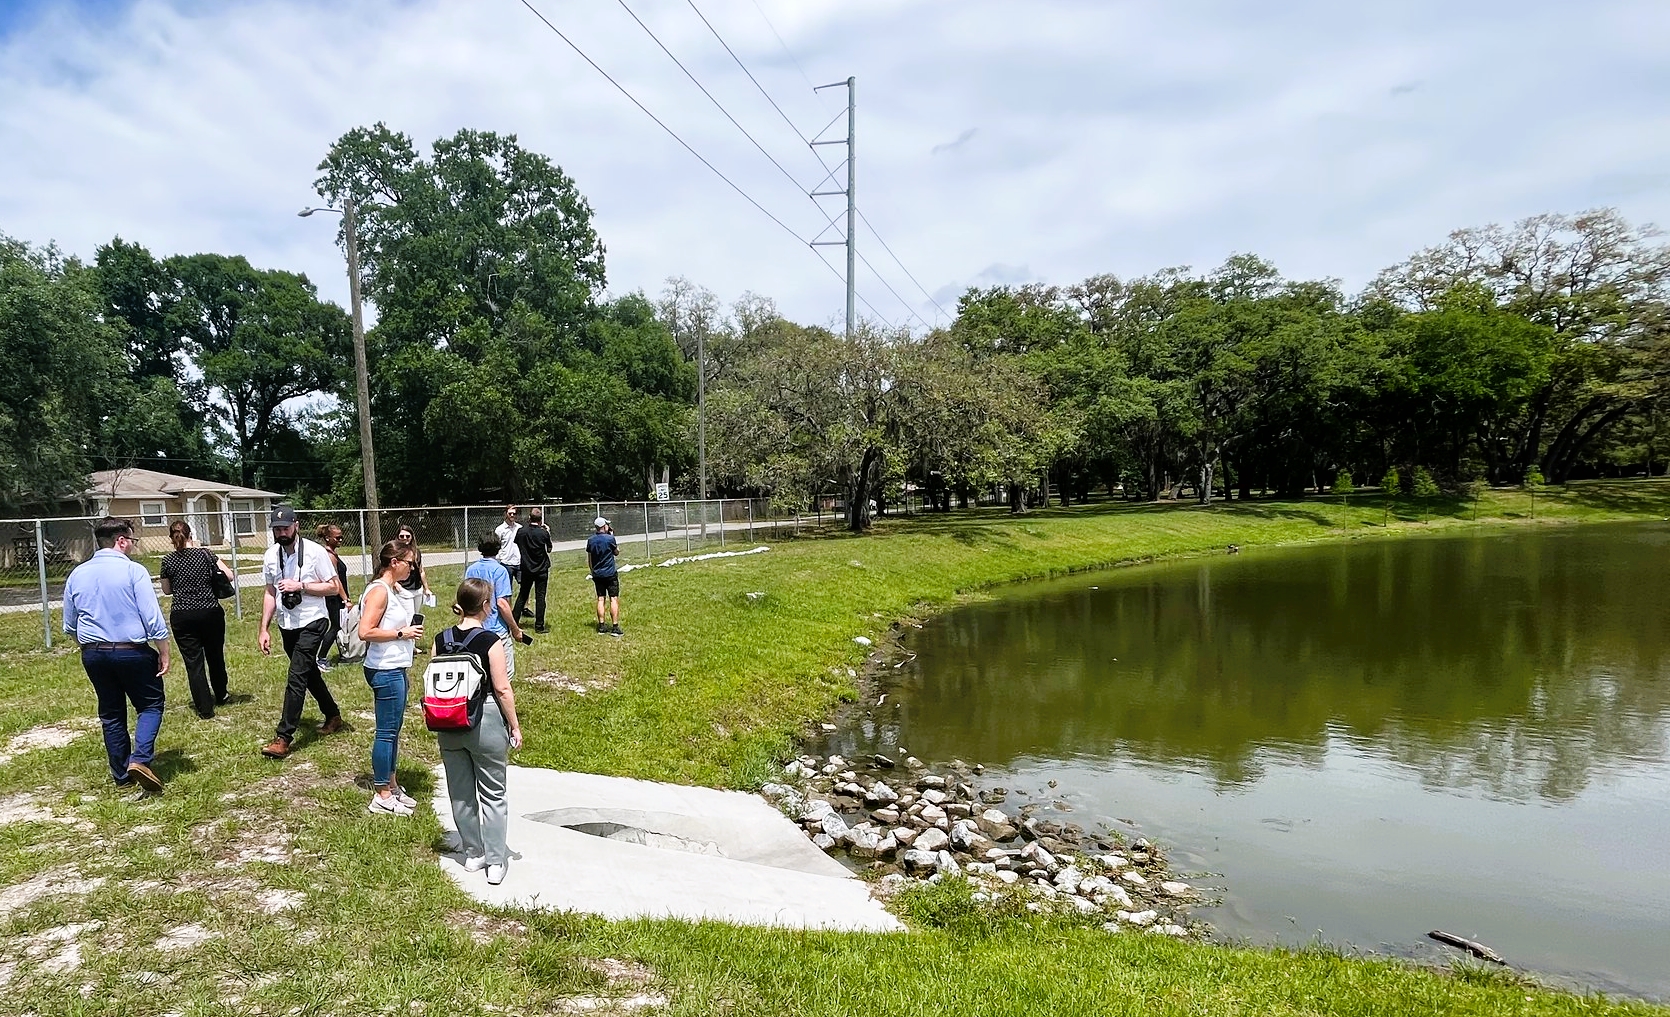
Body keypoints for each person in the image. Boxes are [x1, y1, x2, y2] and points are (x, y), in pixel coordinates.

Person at [62, 516, 171, 794]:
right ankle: (140, 759)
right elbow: (151, 614)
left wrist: (87, 645)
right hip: (131, 651)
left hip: (94, 653)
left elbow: (69, 624)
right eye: (132, 541)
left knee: (111, 713)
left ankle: (121, 774)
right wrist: (163, 649)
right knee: (150, 705)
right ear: (121, 541)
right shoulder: (134, 571)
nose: (133, 546)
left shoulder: (77, 574)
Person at [434, 577, 523, 886]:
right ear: (486, 606)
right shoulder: (491, 641)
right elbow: (501, 688)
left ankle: (474, 852)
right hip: (482, 718)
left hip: (447, 719)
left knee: (460, 793)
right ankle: (497, 861)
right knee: (493, 793)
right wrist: (514, 724)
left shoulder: (441, 639)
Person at [258, 505, 345, 760]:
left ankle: (283, 737)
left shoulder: (316, 553)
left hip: (313, 621)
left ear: (296, 525)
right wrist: (264, 628)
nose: (281, 532)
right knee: (308, 674)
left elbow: (333, 587)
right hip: (287, 623)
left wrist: (302, 586)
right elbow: (270, 592)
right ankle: (333, 714)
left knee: (296, 676)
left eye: (285, 527)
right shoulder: (271, 555)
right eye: (277, 529)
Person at [357, 540, 423, 816]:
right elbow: (365, 631)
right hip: (384, 669)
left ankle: (392, 786)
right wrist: (401, 634)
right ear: (394, 562)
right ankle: (381, 794)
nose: (412, 568)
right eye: (409, 563)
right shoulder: (378, 592)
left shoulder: (391, 589)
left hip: (396, 667)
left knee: (393, 732)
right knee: (385, 733)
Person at [159, 519, 235, 718]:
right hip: (209, 610)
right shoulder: (206, 554)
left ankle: (204, 708)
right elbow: (229, 575)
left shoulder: (168, 560)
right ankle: (221, 693)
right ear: (191, 534)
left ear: (171, 539)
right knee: (215, 655)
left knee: (194, 662)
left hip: (182, 614)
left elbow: (166, 590)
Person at [464, 533, 526, 679]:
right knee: (504, 675)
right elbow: (502, 604)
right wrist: (515, 629)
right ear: (498, 548)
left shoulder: (471, 570)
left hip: (475, 628)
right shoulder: (500, 571)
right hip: (496, 630)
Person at [316, 523, 351, 672]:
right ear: (327, 538)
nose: (340, 540)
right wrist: (345, 599)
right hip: (334, 597)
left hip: (338, 597)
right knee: (336, 626)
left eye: (341, 537)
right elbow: (335, 580)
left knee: (339, 626)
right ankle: (321, 658)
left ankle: (343, 653)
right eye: (337, 538)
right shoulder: (329, 556)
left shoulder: (333, 553)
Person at [512, 508, 553, 633]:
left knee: (523, 595)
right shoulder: (543, 533)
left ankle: (514, 622)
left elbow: (517, 544)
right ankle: (539, 626)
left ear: (529, 518)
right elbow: (549, 549)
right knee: (540, 597)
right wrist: (547, 532)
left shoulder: (521, 532)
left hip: (526, 568)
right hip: (541, 569)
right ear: (540, 520)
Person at [586, 516, 622, 636]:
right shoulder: (610, 539)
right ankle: (615, 627)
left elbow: (590, 558)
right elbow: (616, 552)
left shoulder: (591, 540)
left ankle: (601, 626)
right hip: (610, 573)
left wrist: (592, 571)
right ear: (604, 526)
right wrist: (612, 536)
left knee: (601, 598)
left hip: (597, 574)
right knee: (613, 598)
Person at [494, 506, 522, 587]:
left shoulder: (519, 528)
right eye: (510, 513)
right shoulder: (499, 529)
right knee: (506, 590)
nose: (512, 515)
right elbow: (496, 545)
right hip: (506, 563)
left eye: (514, 513)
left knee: (525, 588)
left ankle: (525, 601)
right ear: (505, 514)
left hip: (519, 562)